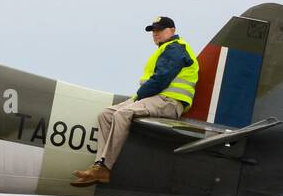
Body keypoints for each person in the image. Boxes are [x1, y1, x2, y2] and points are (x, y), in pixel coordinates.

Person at [72, 16, 200, 186]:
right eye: (153, 31)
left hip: (170, 101)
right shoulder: (165, 49)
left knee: (122, 114)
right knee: (106, 115)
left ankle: (105, 168)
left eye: (160, 30)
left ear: (173, 30)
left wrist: (139, 96)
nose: (156, 34)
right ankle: (98, 165)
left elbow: (160, 79)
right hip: (156, 98)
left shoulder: (175, 48)